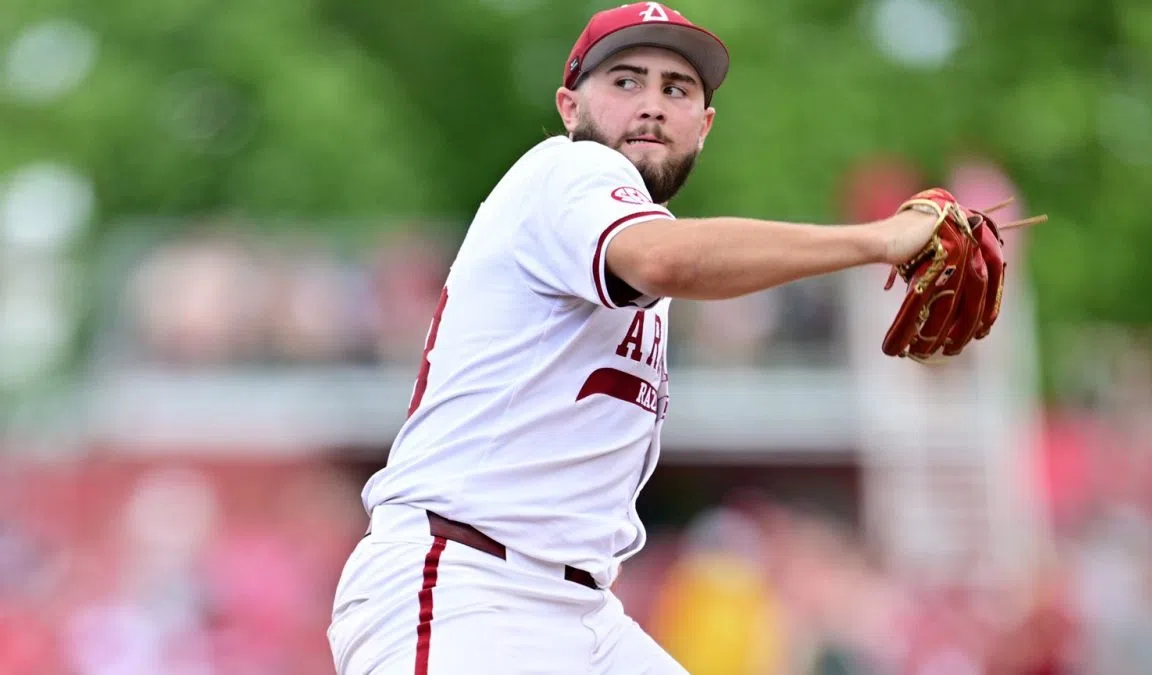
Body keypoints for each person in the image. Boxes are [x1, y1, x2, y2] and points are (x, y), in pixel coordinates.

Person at [326, 3, 942, 673]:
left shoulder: (642, 222)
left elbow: (675, 254)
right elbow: (665, 260)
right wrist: (879, 240)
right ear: (569, 106)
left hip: (575, 609)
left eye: (676, 89)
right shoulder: (570, 172)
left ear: (703, 127)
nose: (650, 104)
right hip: (467, 587)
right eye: (625, 81)